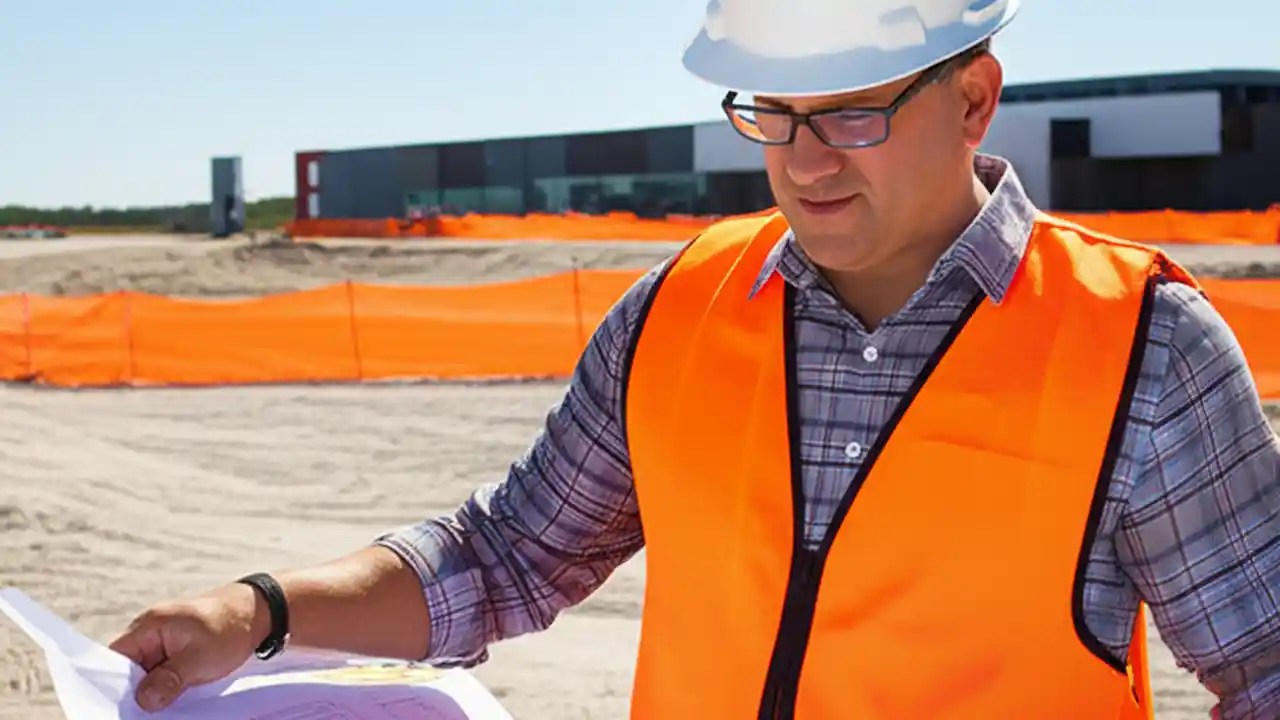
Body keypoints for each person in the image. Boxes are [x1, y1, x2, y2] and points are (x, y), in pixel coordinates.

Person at [110, 1, 1280, 717]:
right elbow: (507, 557)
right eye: (773, 111)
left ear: (973, 99)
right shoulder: (679, 307)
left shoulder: (1143, 351)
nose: (806, 161)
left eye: (853, 114)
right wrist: (253, 611)